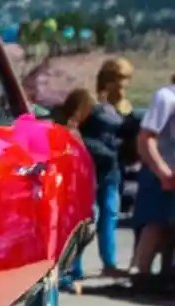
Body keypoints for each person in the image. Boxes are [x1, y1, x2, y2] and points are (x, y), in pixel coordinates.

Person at [74, 59, 134, 281]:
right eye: (120, 79)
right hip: (90, 167)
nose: (123, 85)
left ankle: (109, 263)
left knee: (109, 214)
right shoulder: (92, 103)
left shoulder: (124, 107)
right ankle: (75, 266)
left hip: (112, 169)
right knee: (89, 216)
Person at [131, 76, 175, 283]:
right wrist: (162, 172)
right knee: (155, 224)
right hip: (159, 171)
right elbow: (146, 138)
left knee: (169, 228)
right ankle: (142, 273)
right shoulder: (165, 97)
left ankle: (165, 273)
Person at [58, 88, 98, 293]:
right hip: (72, 191)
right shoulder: (67, 131)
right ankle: (67, 275)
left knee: (82, 232)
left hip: (78, 189)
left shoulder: (72, 129)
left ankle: (72, 272)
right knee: (76, 234)